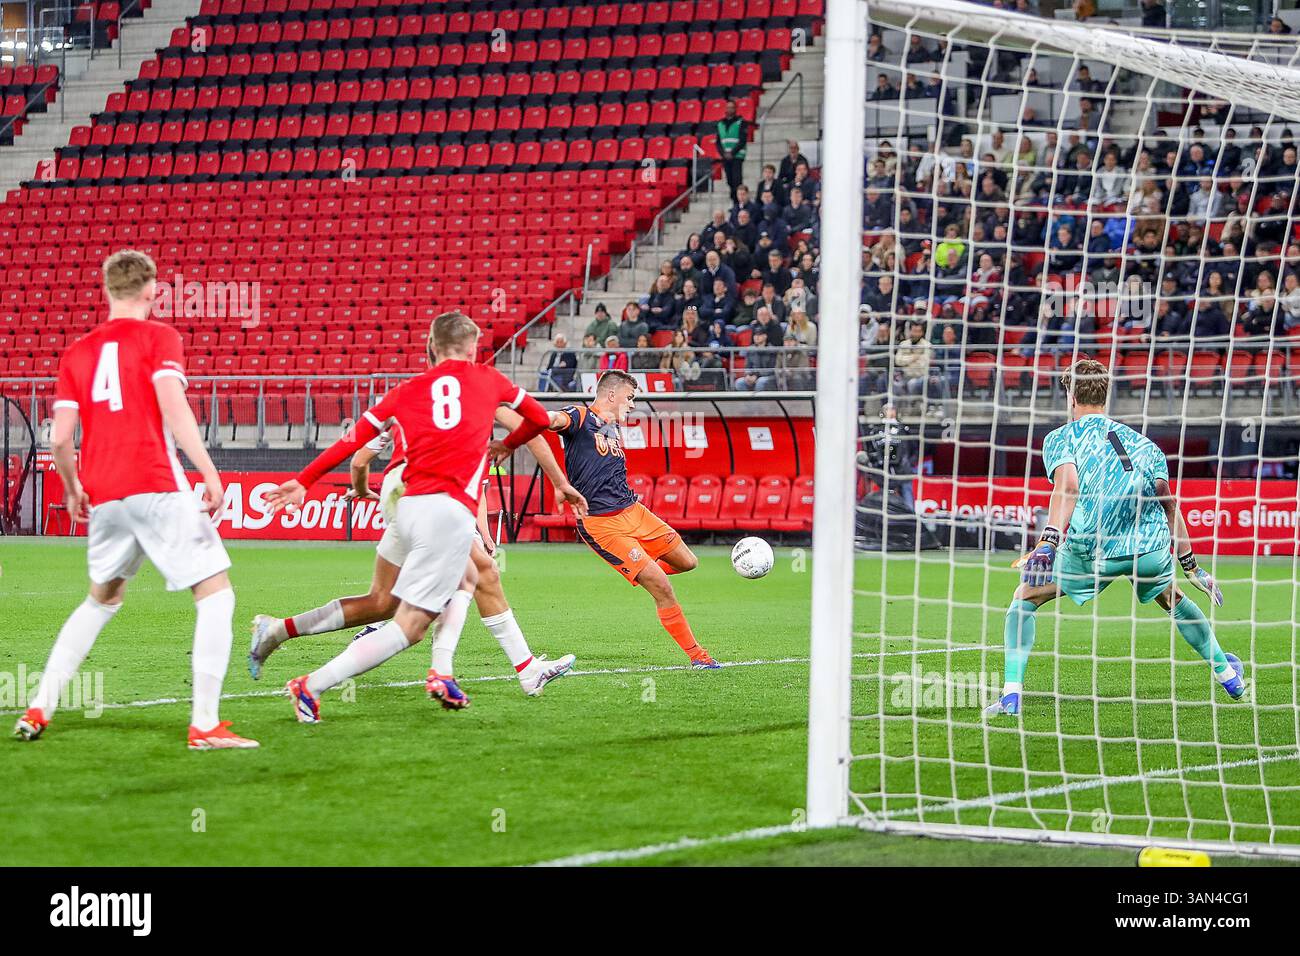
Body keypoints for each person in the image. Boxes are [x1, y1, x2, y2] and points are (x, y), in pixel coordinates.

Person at [249, 329, 588, 699]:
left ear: (431, 350)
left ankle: (277, 630)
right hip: (437, 502)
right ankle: (427, 673)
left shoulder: (406, 391)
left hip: (403, 498)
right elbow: (537, 424)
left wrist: (307, 479)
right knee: (433, 606)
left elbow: (356, 448)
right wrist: (518, 453)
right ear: (473, 348)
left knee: (394, 598)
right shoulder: (485, 384)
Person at [16, 250, 256, 749]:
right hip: (155, 485)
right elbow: (173, 406)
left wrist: (72, 485)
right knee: (217, 592)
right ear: (151, 291)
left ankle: (39, 706)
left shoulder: (77, 353)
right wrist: (208, 471)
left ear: (106, 290)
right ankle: (205, 724)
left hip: (103, 494)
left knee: (101, 599)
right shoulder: (160, 337)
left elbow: (61, 439)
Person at [985, 360, 1243, 717]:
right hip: (1148, 548)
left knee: (1025, 597)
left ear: (1071, 396)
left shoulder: (1062, 437)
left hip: (1093, 548)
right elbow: (1169, 504)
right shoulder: (1145, 445)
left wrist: (1047, 543)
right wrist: (1192, 567)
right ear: (1106, 395)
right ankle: (1229, 676)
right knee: (1173, 597)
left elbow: (1068, 488)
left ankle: (1011, 695)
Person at [549, 370, 719, 667]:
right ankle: (699, 657)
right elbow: (553, 420)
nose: (632, 405)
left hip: (635, 511)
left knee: (688, 562)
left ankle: (639, 569)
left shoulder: (613, 429)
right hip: (601, 522)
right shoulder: (579, 416)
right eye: (630, 398)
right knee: (662, 585)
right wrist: (537, 416)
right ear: (611, 395)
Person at [716, 100, 748, 201]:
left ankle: (738, 202)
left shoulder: (741, 122)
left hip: (737, 156)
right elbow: (718, 142)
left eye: (732, 107)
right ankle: (734, 200)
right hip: (725, 157)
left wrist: (732, 153)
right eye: (728, 107)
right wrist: (723, 154)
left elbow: (743, 140)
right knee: (729, 181)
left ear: (735, 109)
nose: (730, 109)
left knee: (737, 180)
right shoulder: (720, 124)